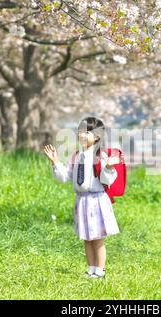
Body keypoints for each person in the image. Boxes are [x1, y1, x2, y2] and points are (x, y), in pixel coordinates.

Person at [43, 117, 121, 280]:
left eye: (87, 132)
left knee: (97, 238)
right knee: (86, 237)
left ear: (97, 136)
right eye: (80, 132)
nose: (82, 136)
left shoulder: (101, 157)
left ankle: (100, 270)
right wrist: (55, 161)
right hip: (82, 201)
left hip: (96, 200)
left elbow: (107, 180)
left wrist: (109, 167)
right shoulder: (76, 156)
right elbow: (66, 177)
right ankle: (91, 268)